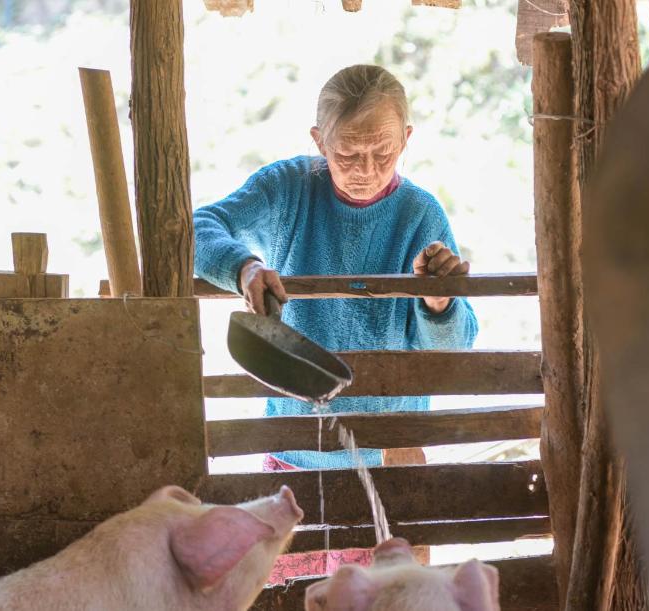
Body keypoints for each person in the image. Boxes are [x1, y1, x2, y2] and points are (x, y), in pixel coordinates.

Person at [194, 64, 478, 471]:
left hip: (390, 453)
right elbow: (197, 229)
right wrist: (243, 268)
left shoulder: (420, 215)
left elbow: (453, 352)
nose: (366, 170)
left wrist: (439, 302)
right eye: (347, 154)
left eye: (384, 153)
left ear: (407, 139)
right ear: (319, 142)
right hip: (294, 449)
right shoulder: (287, 188)